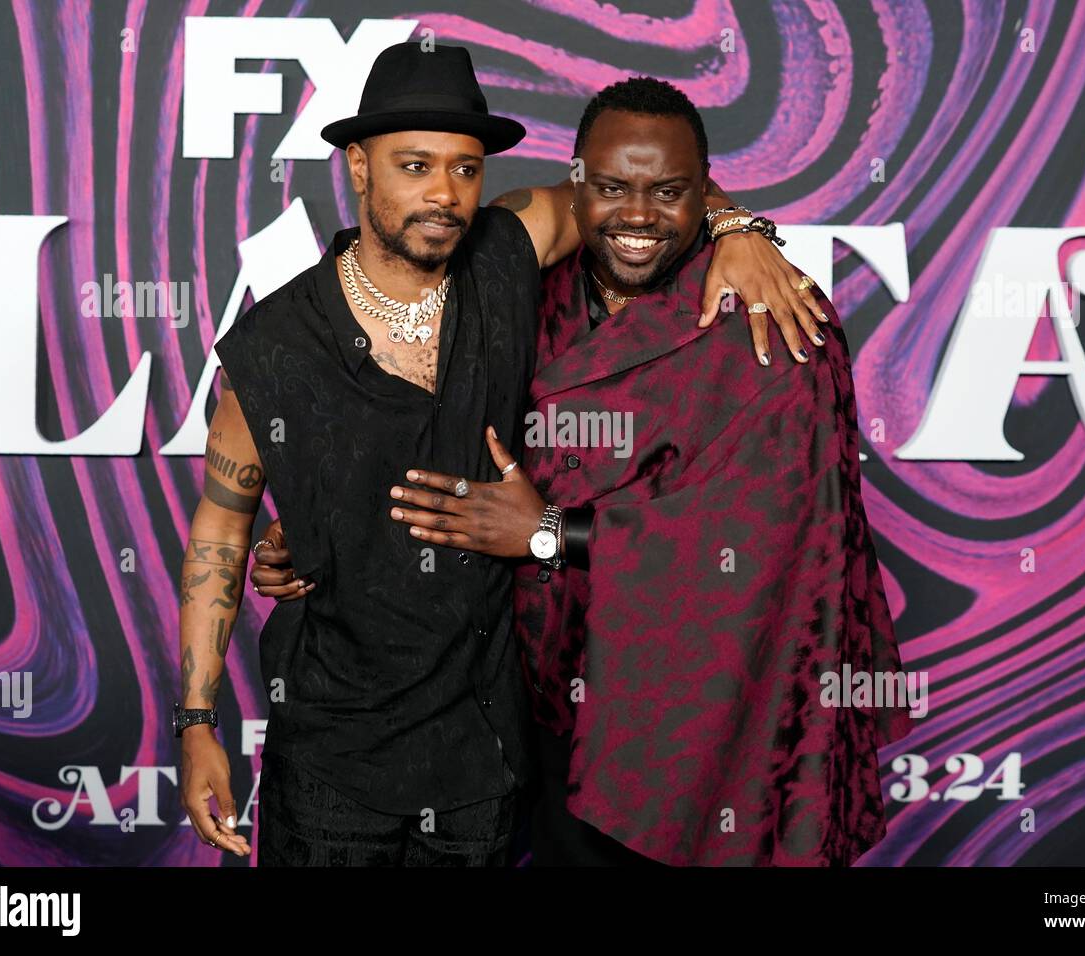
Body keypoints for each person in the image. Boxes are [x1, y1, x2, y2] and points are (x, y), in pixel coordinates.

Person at [179, 43, 819, 866]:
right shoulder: (272, 350)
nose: (445, 195)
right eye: (415, 166)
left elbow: (633, 191)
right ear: (359, 167)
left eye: (466, 169)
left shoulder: (506, 257)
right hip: (334, 772)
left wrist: (738, 227)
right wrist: (196, 723)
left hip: (483, 767)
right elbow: (221, 533)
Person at [377, 77, 915, 865]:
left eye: (670, 193)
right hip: (527, 693)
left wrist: (548, 533)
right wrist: (321, 534)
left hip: (701, 709)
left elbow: (777, 539)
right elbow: (407, 416)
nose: (637, 218)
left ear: (706, 192)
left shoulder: (776, 318)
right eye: (611, 189)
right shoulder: (520, 282)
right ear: (576, 183)